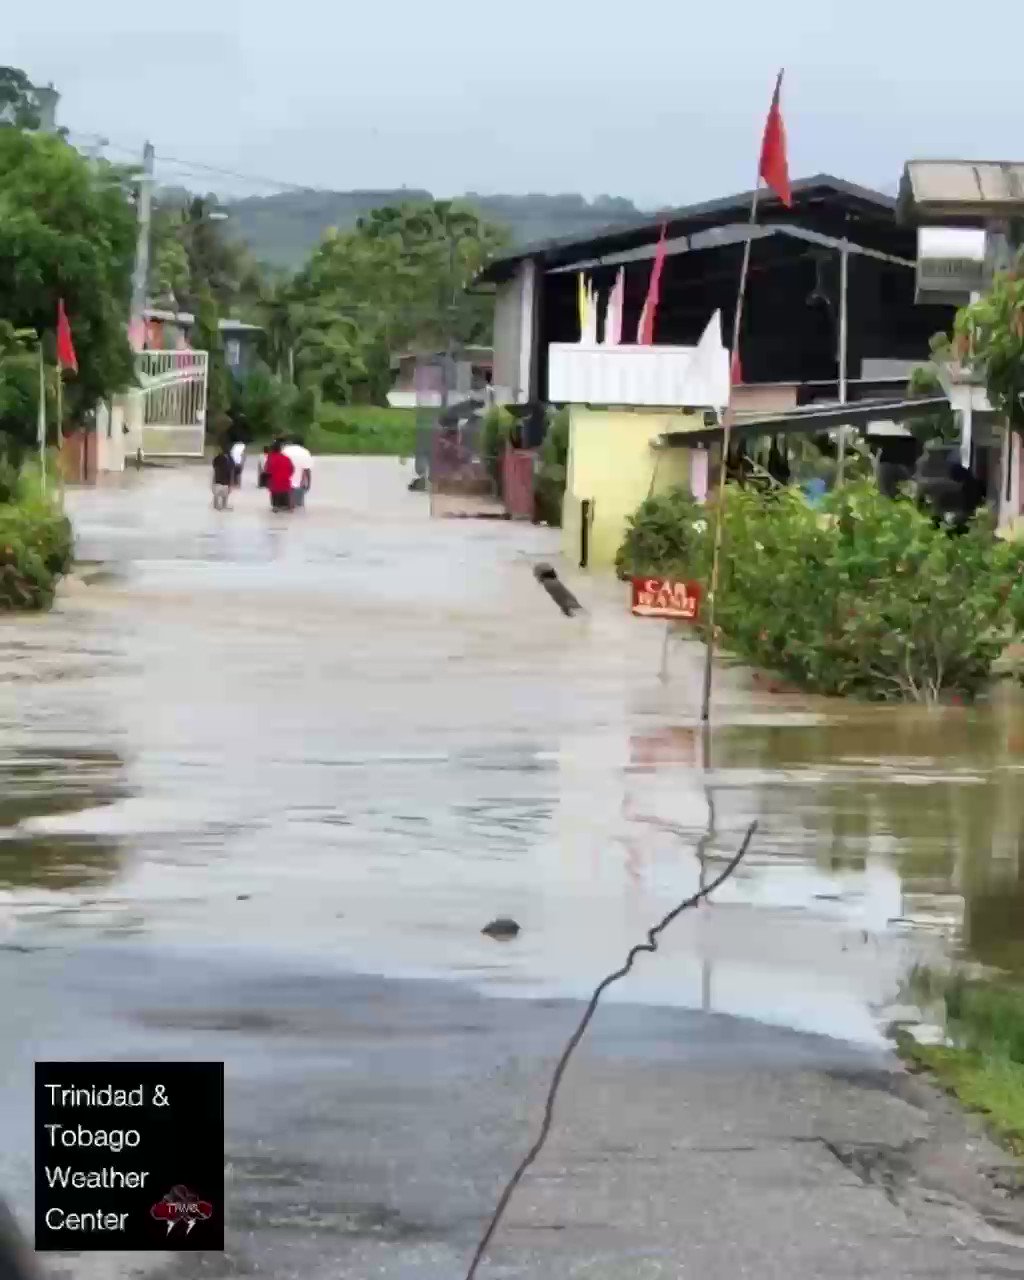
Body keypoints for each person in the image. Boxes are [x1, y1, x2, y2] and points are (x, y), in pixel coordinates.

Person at [263, 439, 295, 512]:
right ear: (280, 449)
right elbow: (292, 469)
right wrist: (287, 476)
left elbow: (267, 470)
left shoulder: (270, 458)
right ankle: (289, 507)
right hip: (285, 482)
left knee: (273, 490)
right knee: (287, 492)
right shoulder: (287, 458)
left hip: (274, 483)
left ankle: (275, 506)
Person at [282, 436, 313, 509]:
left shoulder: (284, 450)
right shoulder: (305, 452)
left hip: (284, 482)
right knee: (299, 507)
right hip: (299, 484)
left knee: (284, 506)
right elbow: (307, 470)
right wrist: (308, 484)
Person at [211, 444, 234, 511]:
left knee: (217, 492)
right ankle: (223, 505)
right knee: (224, 493)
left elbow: (214, 465)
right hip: (224, 479)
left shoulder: (217, 458)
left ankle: (216, 505)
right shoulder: (229, 458)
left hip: (218, 478)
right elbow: (231, 467)